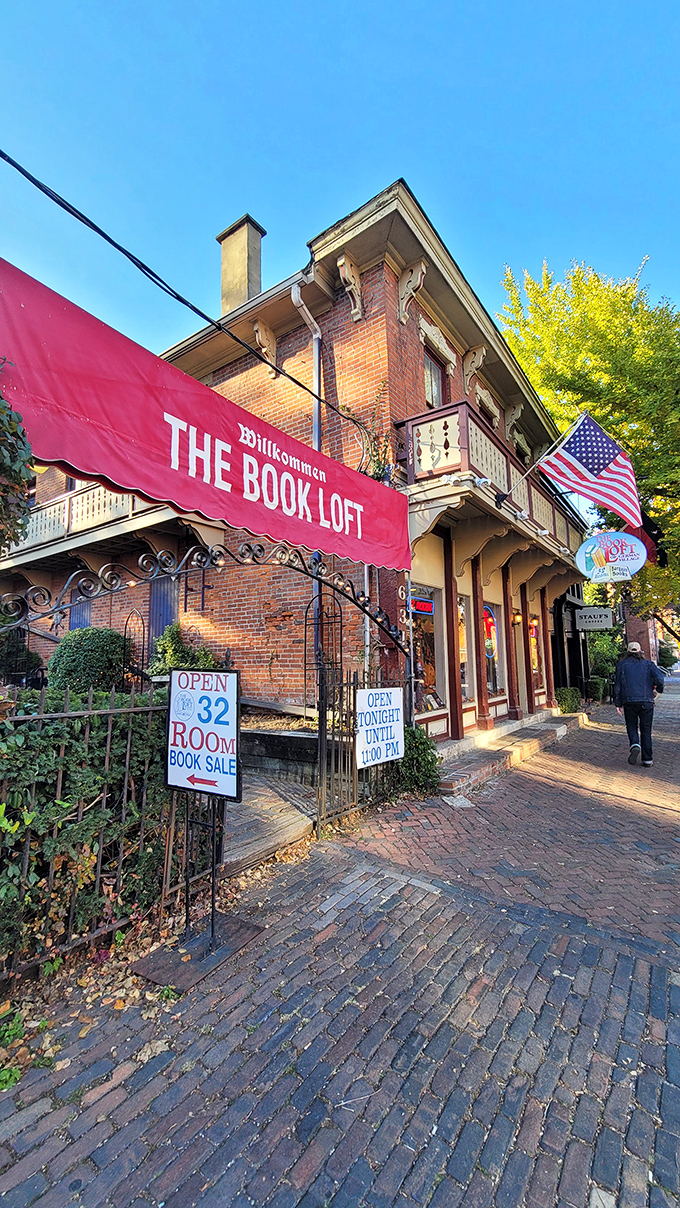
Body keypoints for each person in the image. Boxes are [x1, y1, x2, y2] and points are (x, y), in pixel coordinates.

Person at [614, 641, 665, 767]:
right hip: (646, 701)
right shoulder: (648, 664)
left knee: (631, 726)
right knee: (646, 729)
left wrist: (618, 703)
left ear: (628, 652)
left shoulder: (622, 665)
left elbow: (618, 686)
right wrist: (658, 690)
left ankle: (635, 744)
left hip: (629, 701)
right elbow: (660, 679)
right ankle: (647, 759)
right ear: (640, 651)